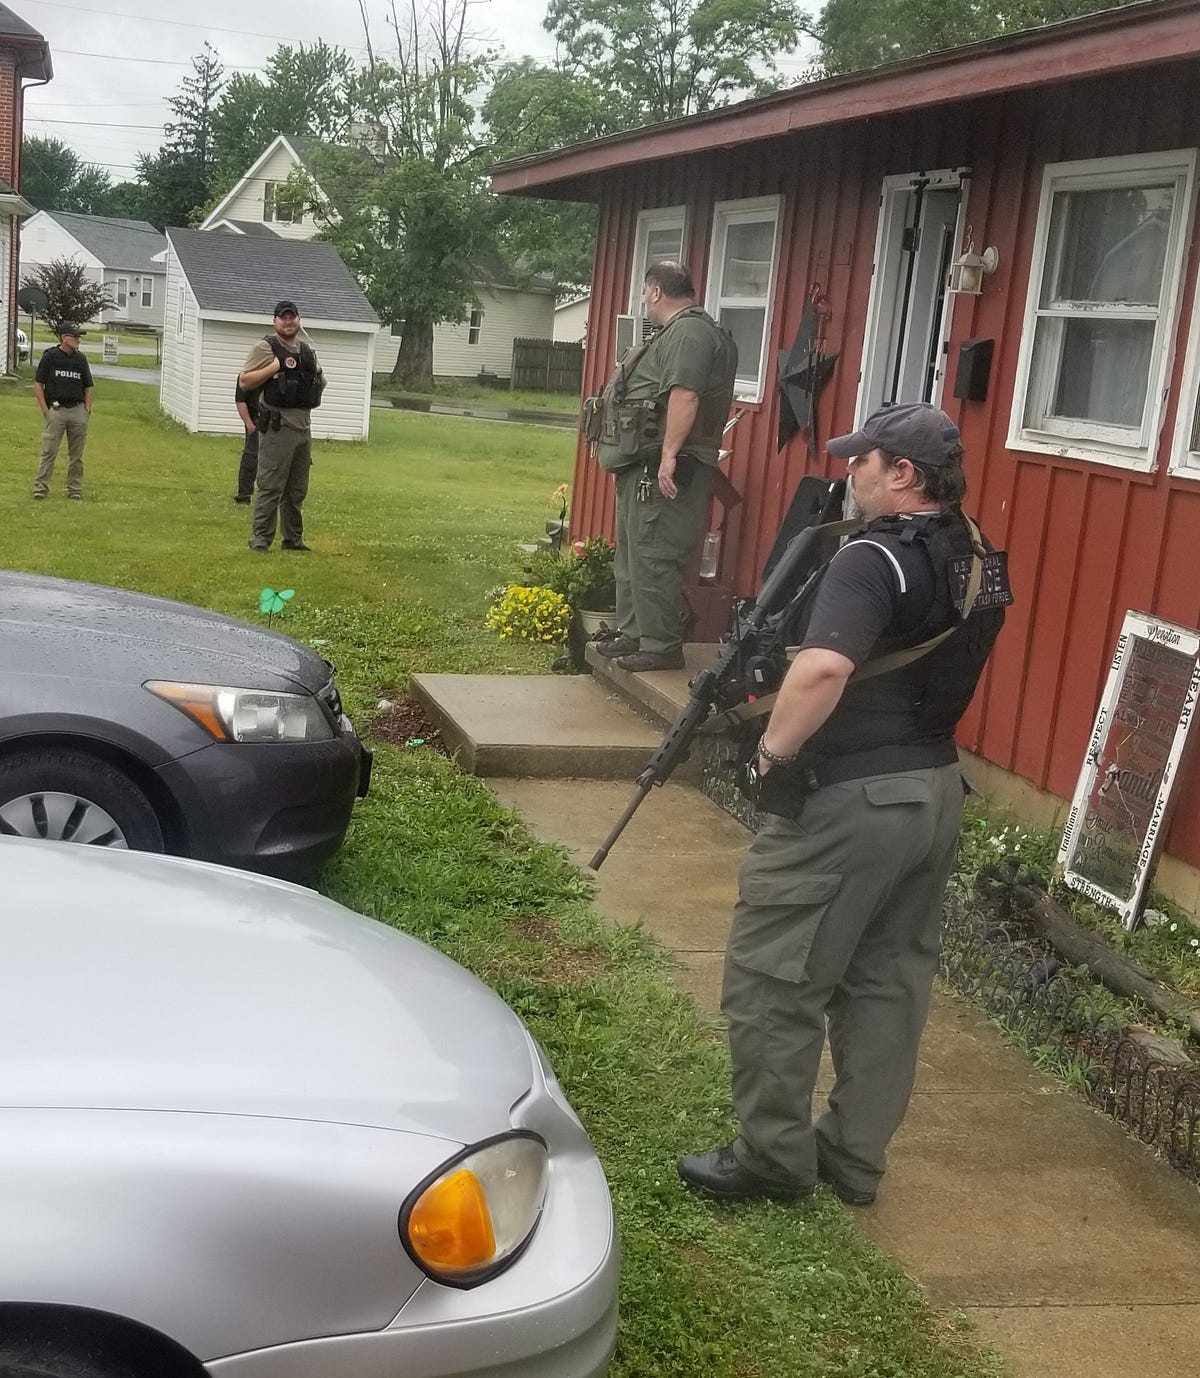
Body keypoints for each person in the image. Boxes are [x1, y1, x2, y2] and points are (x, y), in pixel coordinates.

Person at [677, 402, 1012, 1207]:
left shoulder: (872, 560)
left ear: (902, 475)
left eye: (863, 460)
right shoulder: (977, 556)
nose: (850, 472)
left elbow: (824, 669)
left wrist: (770, 754)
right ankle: (854, 1158)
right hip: (934, 789)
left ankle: (773, 1158)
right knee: (889, 982)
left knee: (773, 974)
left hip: (853, 797)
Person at [584, 260, 736, 672]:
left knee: (654, 552)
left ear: (655, 292)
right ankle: (635, 633)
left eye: (644, 294)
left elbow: (686, 396)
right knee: (633, 551)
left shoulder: (690, 333)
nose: (643, 302)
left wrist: (669, 457)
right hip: (641, 462)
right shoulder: (677, 331)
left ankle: (662, 644)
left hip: (668, 464)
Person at [238, 300, 325, 552]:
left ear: (298, 320)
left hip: (303, 427)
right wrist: (274, 366)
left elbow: (319, 381)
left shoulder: (307, 351)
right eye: (283, 317)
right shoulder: (266, 348)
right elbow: (245, 381)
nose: (288, 322)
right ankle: (261, 539)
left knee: (297, 489)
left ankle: (293, 539)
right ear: (275, 321)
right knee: (270, 485)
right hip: (278, 427)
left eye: (292, 317)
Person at [33, 323, 94, 501]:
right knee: (49, 451)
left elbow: (88, 387)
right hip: (57, 409)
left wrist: (86, 411)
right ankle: (41, 488)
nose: (78, 340)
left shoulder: (81, 359)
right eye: (75, 337)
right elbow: (38, 383)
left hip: (77, 410)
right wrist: (46, 410)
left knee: (77, 455)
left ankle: (74, 489)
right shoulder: (50, 356)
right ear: (64, 338)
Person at [233, 378, 261, 504]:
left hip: (276, 420)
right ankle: (244, 494)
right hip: (256, 419)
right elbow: (241, 401)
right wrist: (249, 423)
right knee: (251, 455)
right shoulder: (247, 375)